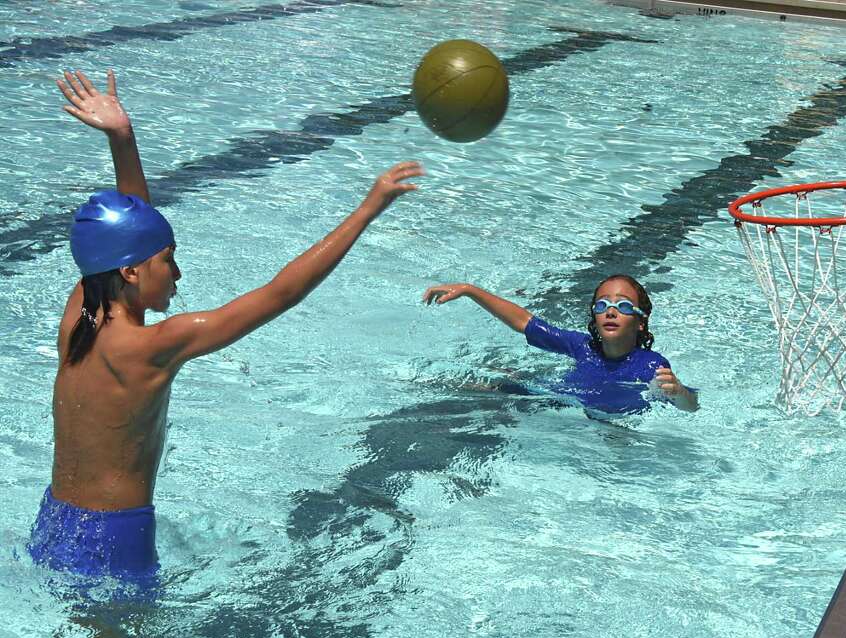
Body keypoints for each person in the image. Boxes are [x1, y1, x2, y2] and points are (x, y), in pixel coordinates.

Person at [29, 69, 424, 591]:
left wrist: (122, 138)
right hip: (115, 538)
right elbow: (281, 293)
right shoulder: (154, 346)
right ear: (131, 271)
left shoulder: (79, 313)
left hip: (56, 521)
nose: (178, 273)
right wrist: (368, 209)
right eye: (169, 260)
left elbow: (133, 226)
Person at [422, 275, 699, 414]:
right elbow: (524, 322)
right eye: (602, 305)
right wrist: (471, 290)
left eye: (623, 306)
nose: (611, 312)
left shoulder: (651, 364)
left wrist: (679, 391)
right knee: (483, 385)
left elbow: (691, 406)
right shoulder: (583, 347)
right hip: (558, 402)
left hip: (614, 427)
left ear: (641, 322)